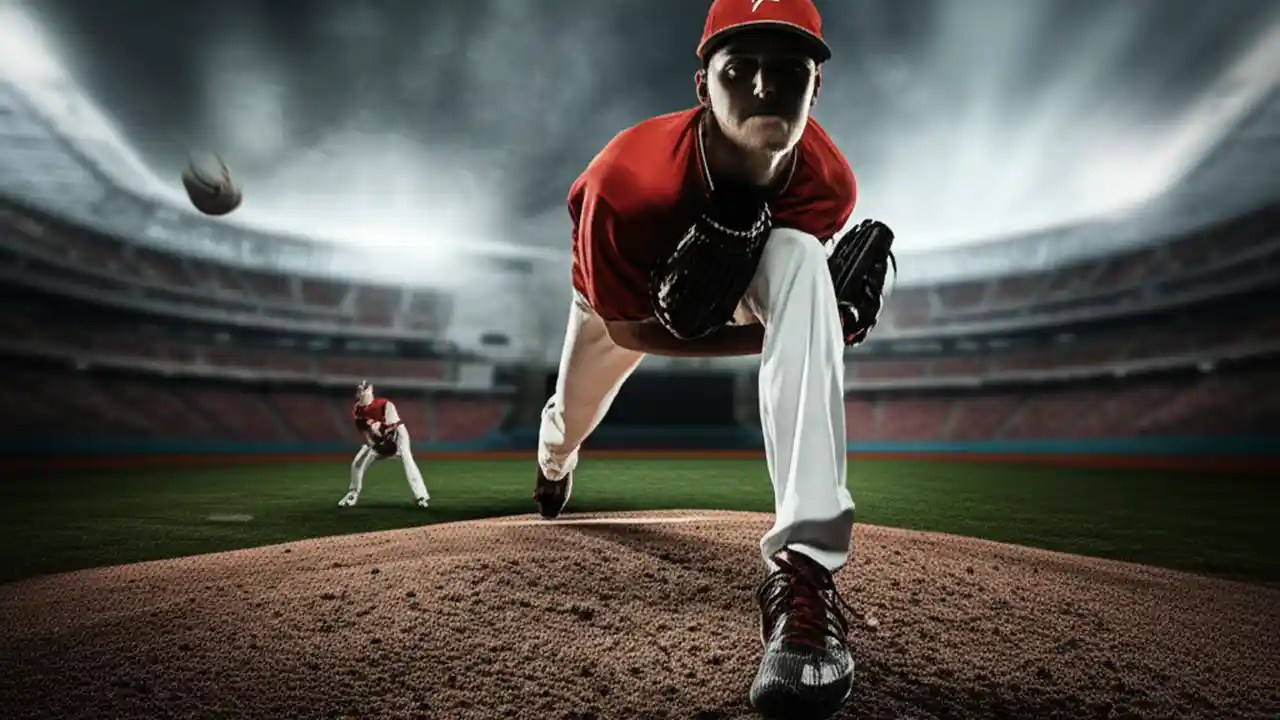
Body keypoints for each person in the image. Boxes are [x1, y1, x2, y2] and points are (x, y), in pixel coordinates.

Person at [531, 1, 894, 717]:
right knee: (572, 416)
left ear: (816, 88)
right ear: (704, 87)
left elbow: (779, 290)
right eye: (740, 69)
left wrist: (810, 314)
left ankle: (806, 574)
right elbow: (631, 330)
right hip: (619, 298)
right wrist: (778, 330)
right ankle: (552, 465)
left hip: (736, 276)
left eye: (789, 70)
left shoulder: (828, 185)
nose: (765, 87)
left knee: (800, 263)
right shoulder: (626, 182)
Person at [339, 380, 430, 508]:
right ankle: (352, 494)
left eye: (363, 389)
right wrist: (372, 443)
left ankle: (421, 496)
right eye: (359, 390)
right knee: (358, 463)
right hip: (378, 439)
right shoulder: (357, 410)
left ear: (370, 389)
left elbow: (392, 428)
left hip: (398, 436)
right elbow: (365, 432)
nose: (362, 393)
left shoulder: (384, 404)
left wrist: (380, 431)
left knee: (408, 460)